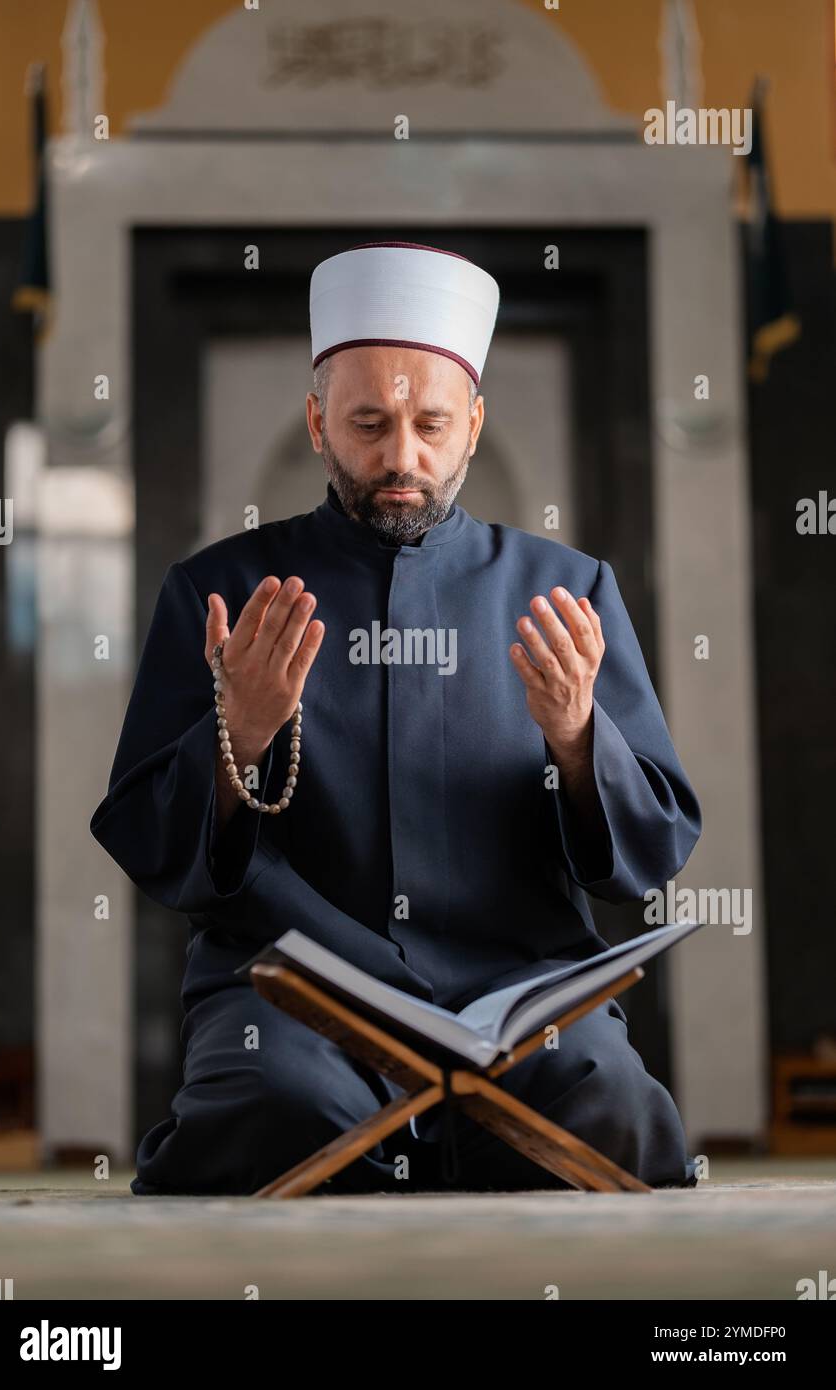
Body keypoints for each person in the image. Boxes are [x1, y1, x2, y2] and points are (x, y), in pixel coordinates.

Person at [90, 241, 702, 1195]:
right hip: (296, 989)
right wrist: (236, 739)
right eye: (369, 424)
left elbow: (652, 847)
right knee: (277, 1109)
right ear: (317, 421)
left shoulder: (569, 589)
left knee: (612, 1109)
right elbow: (145, 837)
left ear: (474, 425)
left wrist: (580, 741)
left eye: (431, 425)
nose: (402, 459)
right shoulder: (218, 589)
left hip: (518, 988)